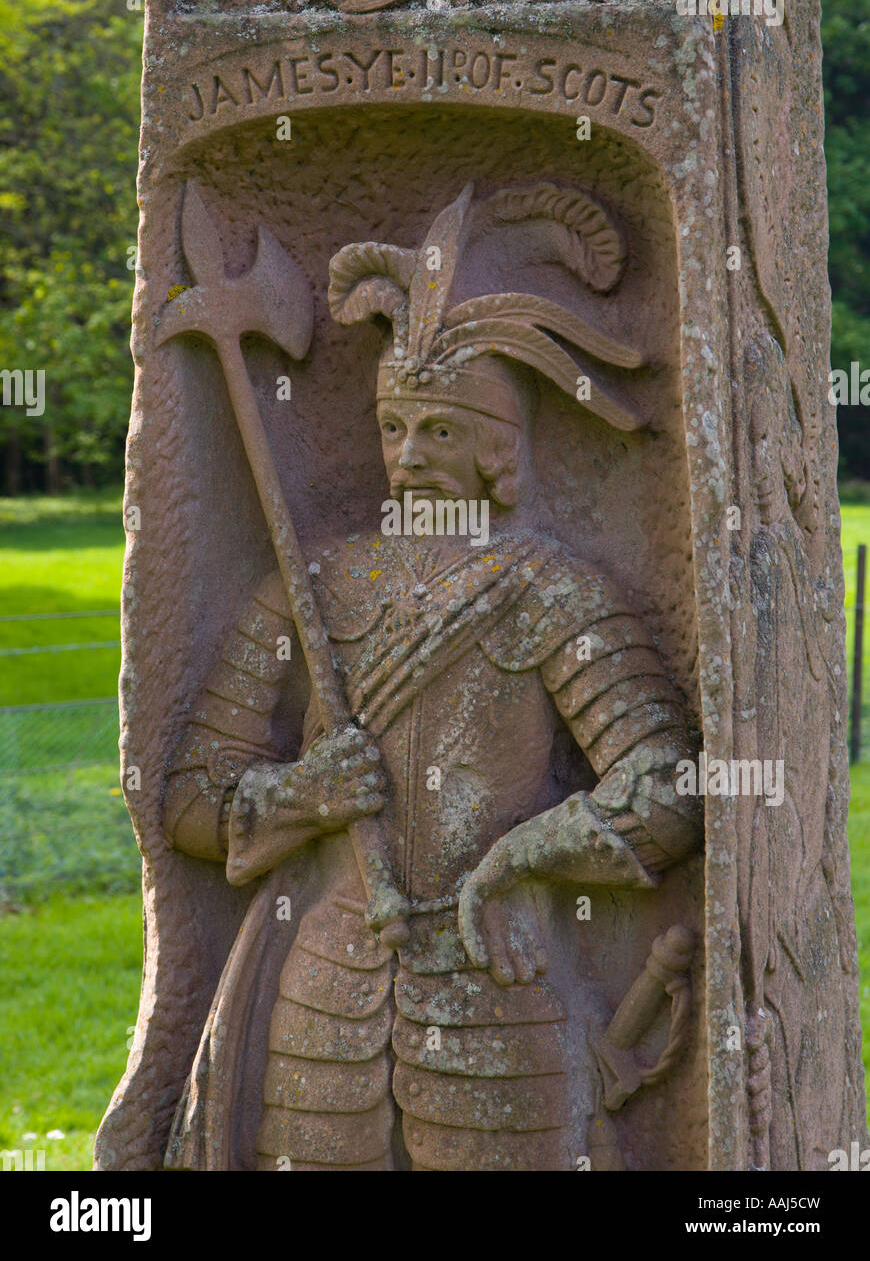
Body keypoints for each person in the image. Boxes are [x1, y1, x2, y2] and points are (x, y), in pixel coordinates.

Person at [162, 184, 700, 1171]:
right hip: (325, 994)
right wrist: (300, 794)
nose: (410, 454)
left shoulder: (549, 590)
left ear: (499, 447)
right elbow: (192, 800)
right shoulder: (308, 584)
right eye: (396, 427)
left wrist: (519, 856)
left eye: (441, 430)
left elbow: (668, 786)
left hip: (498, 988)